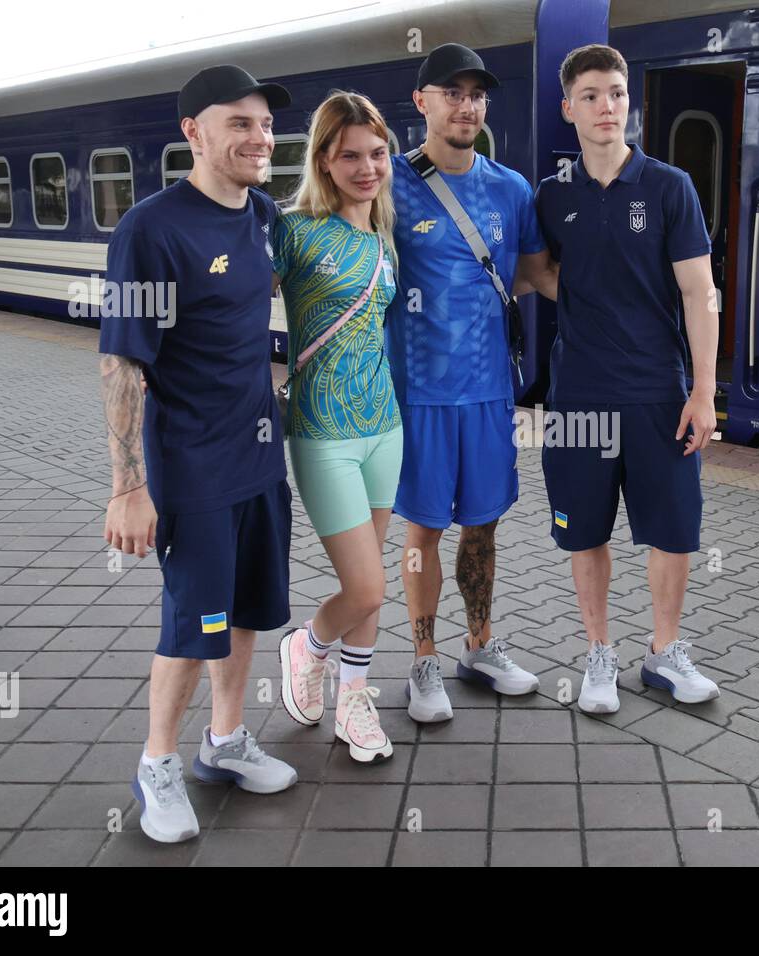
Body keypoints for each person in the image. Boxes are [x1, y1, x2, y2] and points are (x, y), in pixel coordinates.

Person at [100, 65, 298, 843]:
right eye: (239, 124)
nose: (259, 138)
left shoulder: (261, 217)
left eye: (264, 125)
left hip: (257, 457)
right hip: (190, 468)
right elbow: (122, 362)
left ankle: (224, 742)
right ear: (194, 133)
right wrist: (127, 487)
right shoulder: (150, 228)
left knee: (245, 608)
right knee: (193, 623)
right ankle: (157, 765)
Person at [534, 44, 720, 714]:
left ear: (628, 103)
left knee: (672, 531)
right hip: (579, 396)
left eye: (615, 92)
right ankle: (599, 654)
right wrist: (590, 301)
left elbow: (700, 294)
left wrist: (703, 392)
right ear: (569, 109)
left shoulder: (670, 186)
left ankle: (664, 654)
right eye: (590, 95)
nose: (606, 106)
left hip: (660, 394)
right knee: (586, 532)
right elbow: (538, 275)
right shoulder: (551, 196)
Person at [387, 43, 558, 723]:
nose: (466, 105)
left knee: (483, 528)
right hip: (420, 392)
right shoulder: (389, 182)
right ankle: (423, 663)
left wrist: (646, 295)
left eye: (477, 94)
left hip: (490, 391)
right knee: (424, 531)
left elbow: (535, 275)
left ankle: (479, 647)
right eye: (451, 92)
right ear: (421, 102)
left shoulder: (512, 189)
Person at [273, 91, 400, 763]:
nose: (366, 167)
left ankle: (354, 704)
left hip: (386, 427)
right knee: (368, 586)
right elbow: (233, 304)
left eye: (377, 154)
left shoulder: (383, 235)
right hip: (322, 431)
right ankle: (308, 644)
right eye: (349, 155)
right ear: (322, 160)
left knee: (372, 580)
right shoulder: (291, 232)